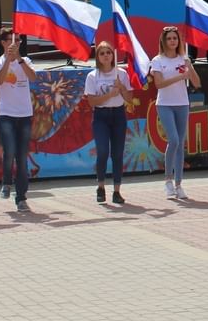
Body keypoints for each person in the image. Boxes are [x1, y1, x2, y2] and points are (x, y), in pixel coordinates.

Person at [147, 26, 201, 200]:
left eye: (175, 38)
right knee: (174, 140)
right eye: (169, 38)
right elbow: (159, 84)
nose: (172, 41)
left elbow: (197, 83)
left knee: (180, 144)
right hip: (164, 104)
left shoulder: (183, 59)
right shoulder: (157, 60)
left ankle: (179, 184)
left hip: (182, 103)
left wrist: (189, 67)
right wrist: (180, 77)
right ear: (164, 41)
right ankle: (168, 180)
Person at [84, 41, 136, 204]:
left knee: (118, 153)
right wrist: (109, 94)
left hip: (118, 115)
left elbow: (129, 99)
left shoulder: (121, 73)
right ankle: (100, 186)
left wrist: (121, 88)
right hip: (101, 116)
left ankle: (117, 190)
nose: (106, 56)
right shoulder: (93, 76)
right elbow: (92, 102)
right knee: (103, 151)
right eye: (102, 53)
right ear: (98, 57)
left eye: (108, 52)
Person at [0, 27, 35, 212]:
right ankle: (6, 182)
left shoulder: (26, 61)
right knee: (9, 151)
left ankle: (22, 197)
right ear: (3, 43)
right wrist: (8, 61)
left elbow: (33, 77)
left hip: (24, 114)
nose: (12, 44)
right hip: (6, 113)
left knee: (22, 157)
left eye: (16, 41)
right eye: (9, 40)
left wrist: (19, 59)